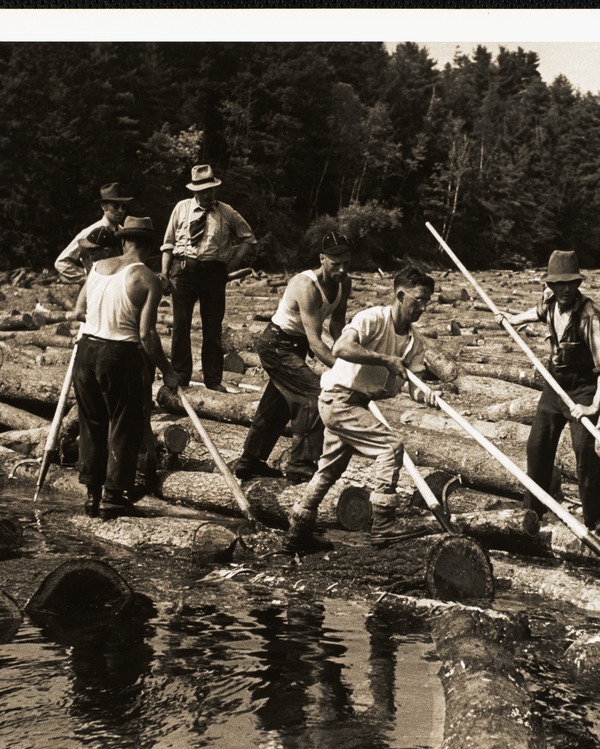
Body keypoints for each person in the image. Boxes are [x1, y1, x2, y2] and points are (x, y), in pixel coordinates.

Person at [285, 266, 441, 554]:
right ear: (400, 295)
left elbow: (412, 384)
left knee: (328, 470)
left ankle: (298, 530)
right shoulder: (372, 318)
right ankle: (383, 524)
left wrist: (428, 395)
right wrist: (384, 359)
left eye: (427, 301)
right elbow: (341, 348)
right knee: (391, 447)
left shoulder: (415, 342)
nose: (423, 307)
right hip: (338, 398)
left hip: (355, 403)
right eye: (418, 300)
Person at [496, 250, 600, 534]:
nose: (564, 290)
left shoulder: (589, 316)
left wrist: (593, 406)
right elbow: (536, 313)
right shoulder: (550, 300)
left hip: (584, 386)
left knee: (583, 450)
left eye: (570, 283)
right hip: (555, 384)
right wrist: (512, 320)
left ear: (577, 283)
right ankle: (534, 510)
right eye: (558, 284)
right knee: (538, 445)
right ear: (550, 285)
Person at [73, 216, 179, 521]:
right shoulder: (147, 279)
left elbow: (79, 310)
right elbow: (147, 335)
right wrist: (167, 370)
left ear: (123, 241)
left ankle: (91, 495)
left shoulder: (96, 268)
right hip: (118, 353)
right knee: (124, 423)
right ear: (150, 247)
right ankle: (113, 497)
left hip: (86, 350)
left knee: (91, 422)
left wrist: (101, 320)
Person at [234, 231, 353, 484]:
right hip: (276, 345)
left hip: (295, 347)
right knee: (315, 395)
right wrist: (342, 370)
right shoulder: (306, 285)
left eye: (346, 263)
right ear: (322, 258)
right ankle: (301, 466)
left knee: (275, 404)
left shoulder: (345, 283)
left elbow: (337, 323)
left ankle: (250, 461)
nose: (342, 270)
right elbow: (314, 339)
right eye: (336, 264)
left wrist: (346, 352)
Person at [160, 164, 257, 391]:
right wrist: (164, 274)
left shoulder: (226, 212)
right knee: (181, 327)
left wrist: (231, 264)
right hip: (183, 271)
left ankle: (213, 380)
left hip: (214, 275)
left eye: (210, 189)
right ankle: (180, 378)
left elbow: (249, 239)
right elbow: (168, 244)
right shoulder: (181, 209)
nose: (206, 194)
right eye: (202, 190)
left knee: (212, 329)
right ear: (194, 191)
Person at [55, 182, 133, 284]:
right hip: (95, 292)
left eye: (124, 207)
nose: (120, 210)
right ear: (103, 206)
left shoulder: (123, 232)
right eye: (115, 205)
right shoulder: (90, 233)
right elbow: (61, 262)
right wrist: (87, 279)